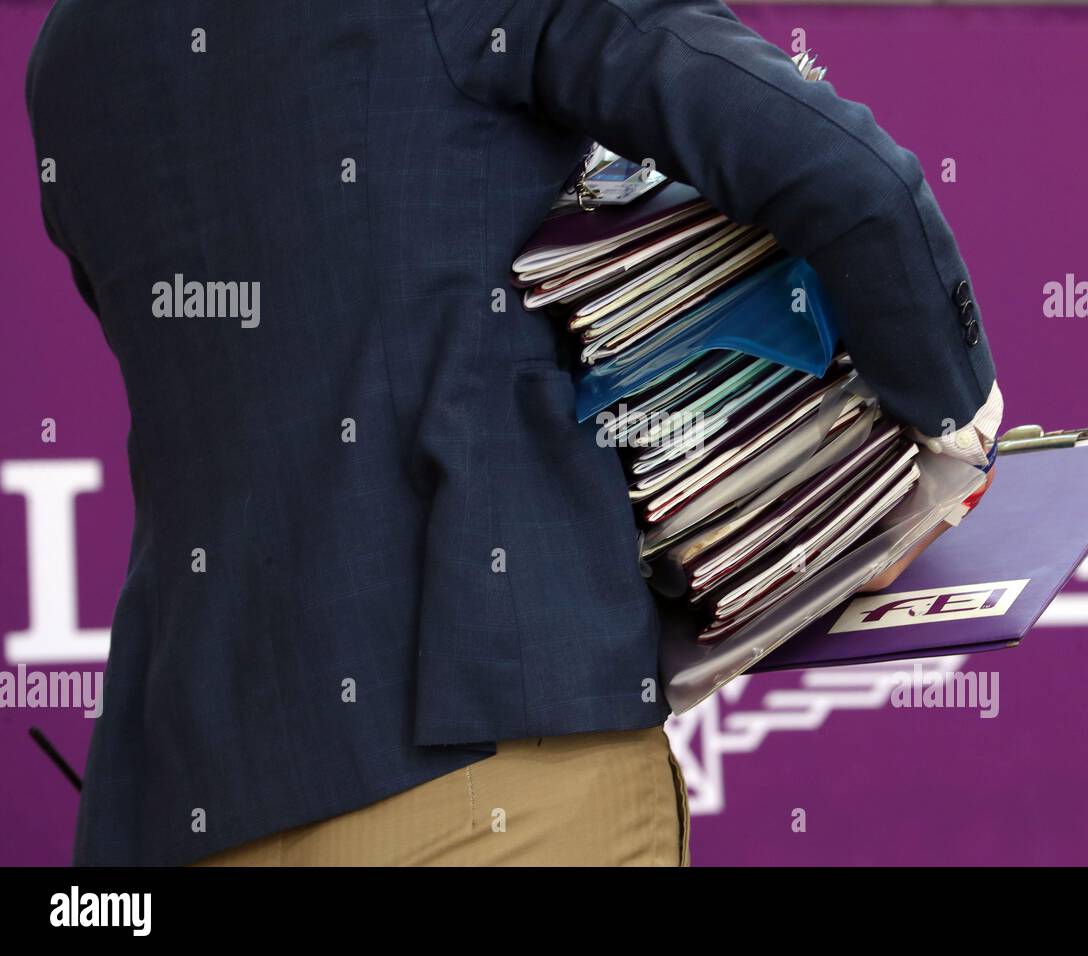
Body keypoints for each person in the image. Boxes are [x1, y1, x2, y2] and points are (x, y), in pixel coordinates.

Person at [26, 0, 999, 867]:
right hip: (484, 764)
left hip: (185, 786)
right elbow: (846, 172)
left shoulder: (70, 50)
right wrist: (948, 418)